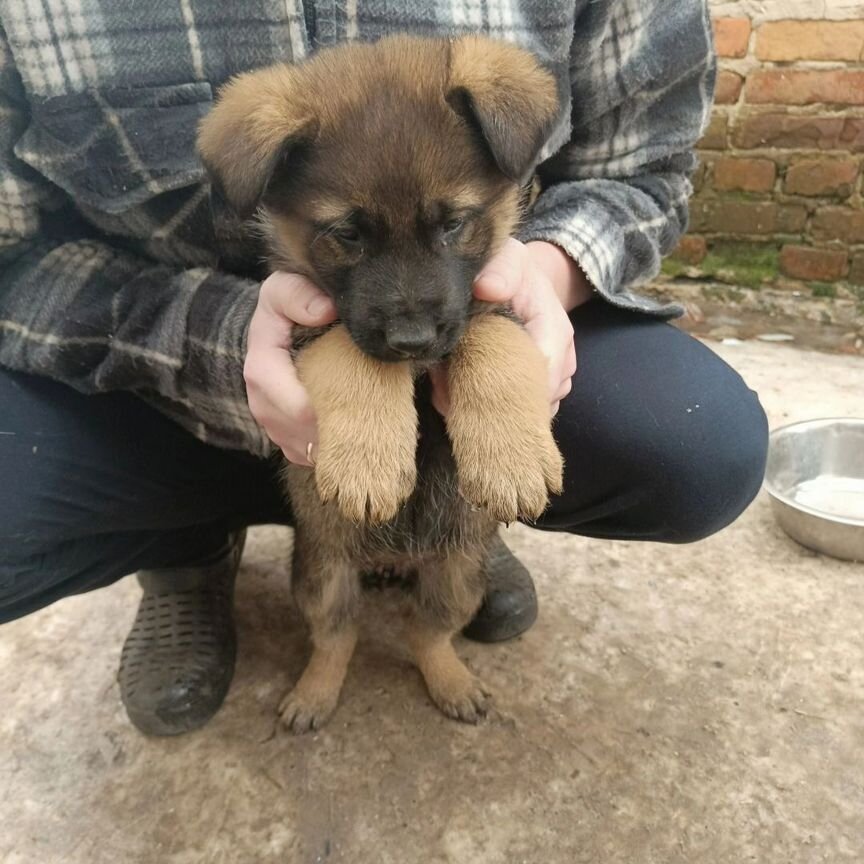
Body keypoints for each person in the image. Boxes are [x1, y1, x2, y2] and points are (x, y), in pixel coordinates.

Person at [0, 0, 768, 736]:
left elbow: (646, 173)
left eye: (453, 225)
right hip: (166, 370)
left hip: (484, 337)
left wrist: (542, 274)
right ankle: (190, 550)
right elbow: (15, 261)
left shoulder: (490, 96)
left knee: (693, 445)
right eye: (347, 237)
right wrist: (236, 337)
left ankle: (437, 618)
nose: (409, 315)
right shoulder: (264, 131)